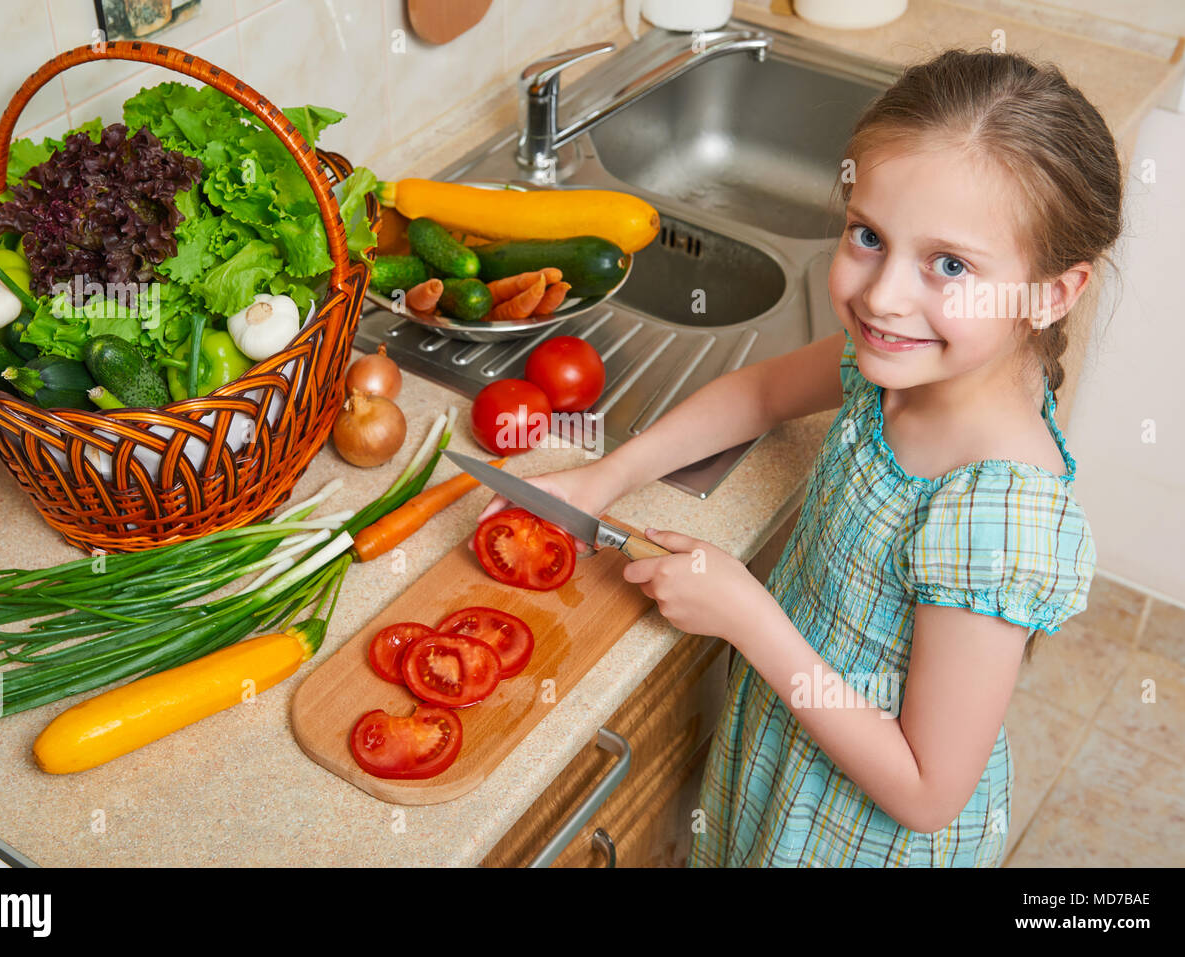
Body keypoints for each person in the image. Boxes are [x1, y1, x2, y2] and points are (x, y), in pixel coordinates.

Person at [475, 48, 1123, 866]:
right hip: (783, 771)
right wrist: (607, 475)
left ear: (1053, 292)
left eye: (949, 264)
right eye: (868, 235)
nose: (883, 295)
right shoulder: (898, 369)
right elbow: (758, 396)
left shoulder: (998, 512)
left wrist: (749, 618)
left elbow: (926, 791)